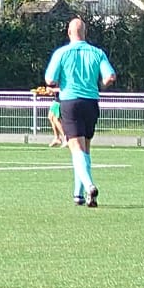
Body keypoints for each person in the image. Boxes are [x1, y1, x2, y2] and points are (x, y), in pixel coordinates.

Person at [44, 17, 117, 207]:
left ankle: (89, 185)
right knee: (84, 149)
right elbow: (110, 76)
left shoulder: (62, 53)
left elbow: (50, 79)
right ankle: (78, 194)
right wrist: (101, 84)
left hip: (70, 102)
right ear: (85, 32)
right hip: (91, 102)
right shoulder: (97, 53)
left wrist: (58, 84)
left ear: (69, 33)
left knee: (75, 148)